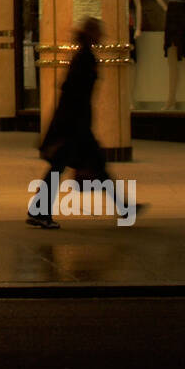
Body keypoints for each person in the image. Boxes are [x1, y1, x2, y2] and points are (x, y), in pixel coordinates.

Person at [27, 17, 137, 229]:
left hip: (71, 124)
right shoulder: (85, 59)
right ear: (92, 34)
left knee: (76, 167)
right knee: (88, 167)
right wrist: (79, 125)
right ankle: (40, 211)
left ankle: (38, 210)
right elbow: (77, 95)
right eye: (98, 32)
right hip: (74, 126)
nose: (101, 36)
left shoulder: (82, 56)